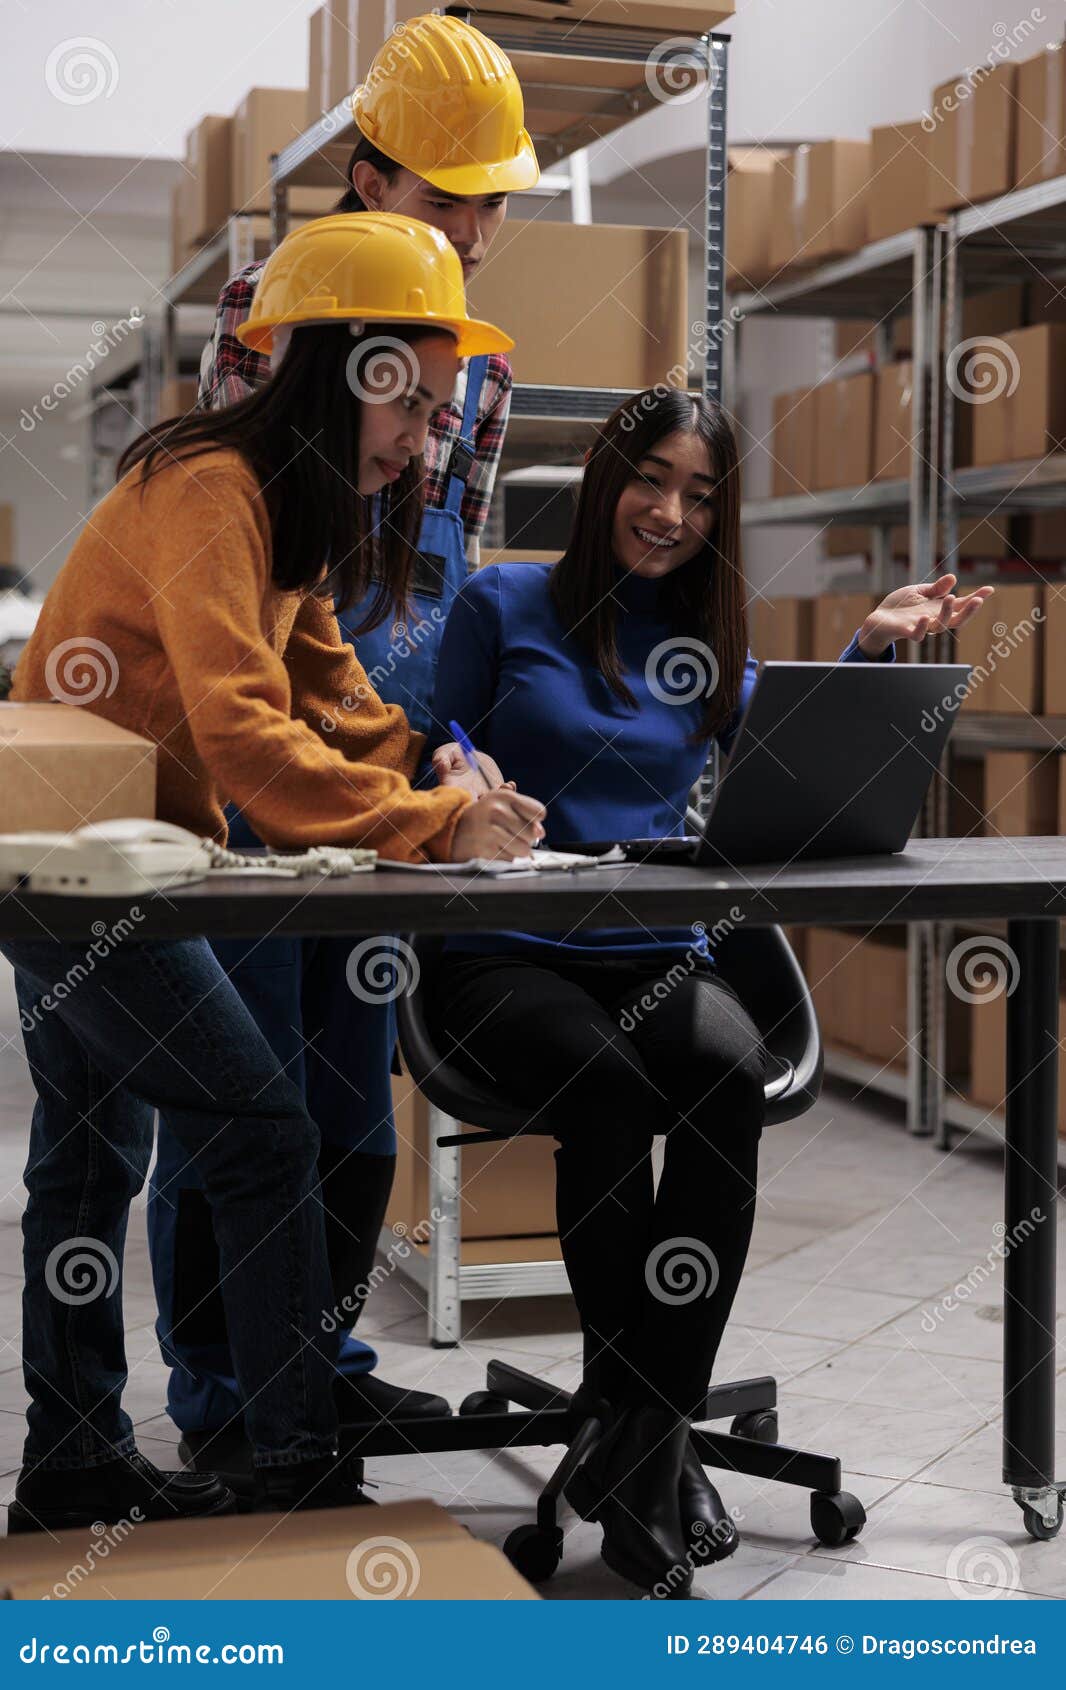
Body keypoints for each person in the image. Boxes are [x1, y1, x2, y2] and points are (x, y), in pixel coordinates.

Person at [1, 212, 544, 1532]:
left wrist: (442, 775)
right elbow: (246, 734)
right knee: (259, 1129)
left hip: (107, 854)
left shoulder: (281, 514)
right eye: (408, 403)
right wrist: (424, 827)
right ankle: (293, 1463)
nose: (422, 437)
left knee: (86, 1163)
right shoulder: (207, 489)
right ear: (341, 371)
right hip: (71, 862)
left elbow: (331, 691)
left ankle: (70, 1460)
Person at [425, 387, 995, 1594]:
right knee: (610, 1087)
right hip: (507, 952)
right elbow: (424, 744)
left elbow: (785, 754)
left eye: (698, 495)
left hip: (654, 952)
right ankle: (653, 1445)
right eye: (652, 481)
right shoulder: (501, 601)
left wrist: (869, 649)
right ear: (603, 477)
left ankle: (642, 1430)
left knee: (725, 1075)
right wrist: (457, 781)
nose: (670, 512)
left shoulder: (701, 630)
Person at [150, 12, 539, 1477]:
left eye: (493, 203)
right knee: (236, 1092)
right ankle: (220, 1390)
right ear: (370, 179)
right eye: (448, 201)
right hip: (261, 763)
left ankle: (322, 1366)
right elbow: (256, 577)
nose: (478, 231)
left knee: (350, 1096)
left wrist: (441, 755)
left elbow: (452, 561)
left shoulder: (475, 365)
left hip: (384, 751)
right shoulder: (279, 315)